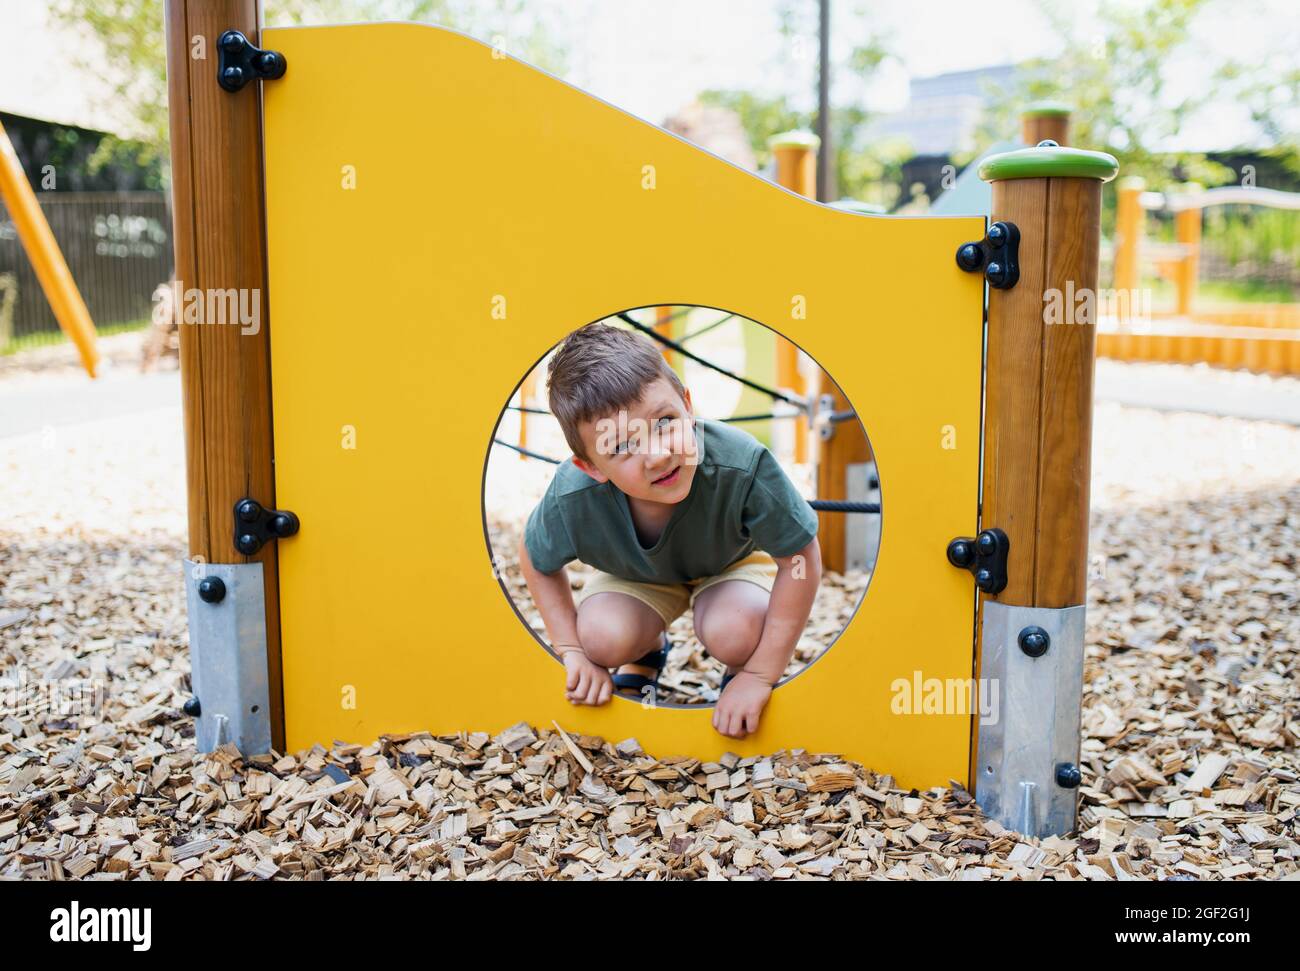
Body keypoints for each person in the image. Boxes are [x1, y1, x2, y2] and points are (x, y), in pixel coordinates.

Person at [518, 321, 821, 739]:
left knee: (734, 631)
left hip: (730, 563)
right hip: (635, 573)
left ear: (688, 405)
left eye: (664, 421)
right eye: (621, 446)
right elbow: (535, 558)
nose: (658, 456)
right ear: (590, 467)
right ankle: (647, 650)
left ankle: (738, 668)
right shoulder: (575, 496)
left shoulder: (741, 465)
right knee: (600, 639)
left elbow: (801, 556)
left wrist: (759, 673)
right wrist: (570, 649)